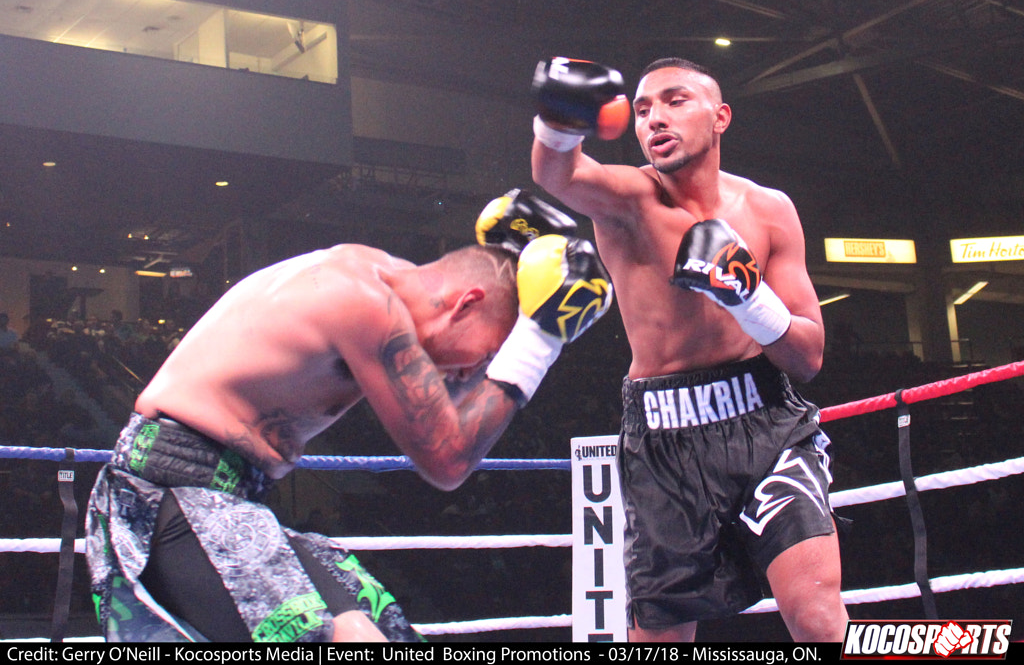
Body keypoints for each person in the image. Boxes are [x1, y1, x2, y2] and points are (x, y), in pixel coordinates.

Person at [86, 194, 613, 643]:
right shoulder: (363, 302)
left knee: (379, 633)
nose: (474, 372)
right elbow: (448, 459)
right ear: (464, 304)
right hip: (171, 494)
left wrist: (520, 256)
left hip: (232, 502)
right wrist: (539, 340)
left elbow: (460, 410)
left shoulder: (388, 283)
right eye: (487, 353)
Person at [530, 56, 848, 642]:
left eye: (675, 101)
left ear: (720, 116)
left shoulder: (769, 210)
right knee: (663, 636)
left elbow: (807, 357)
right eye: (643, 108)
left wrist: (748, 297)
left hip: (766, 425)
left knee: (819, 615)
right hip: (664, 438)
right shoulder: (630, 200)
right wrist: (558, 118)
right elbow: (559, 175)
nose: (654, 118)